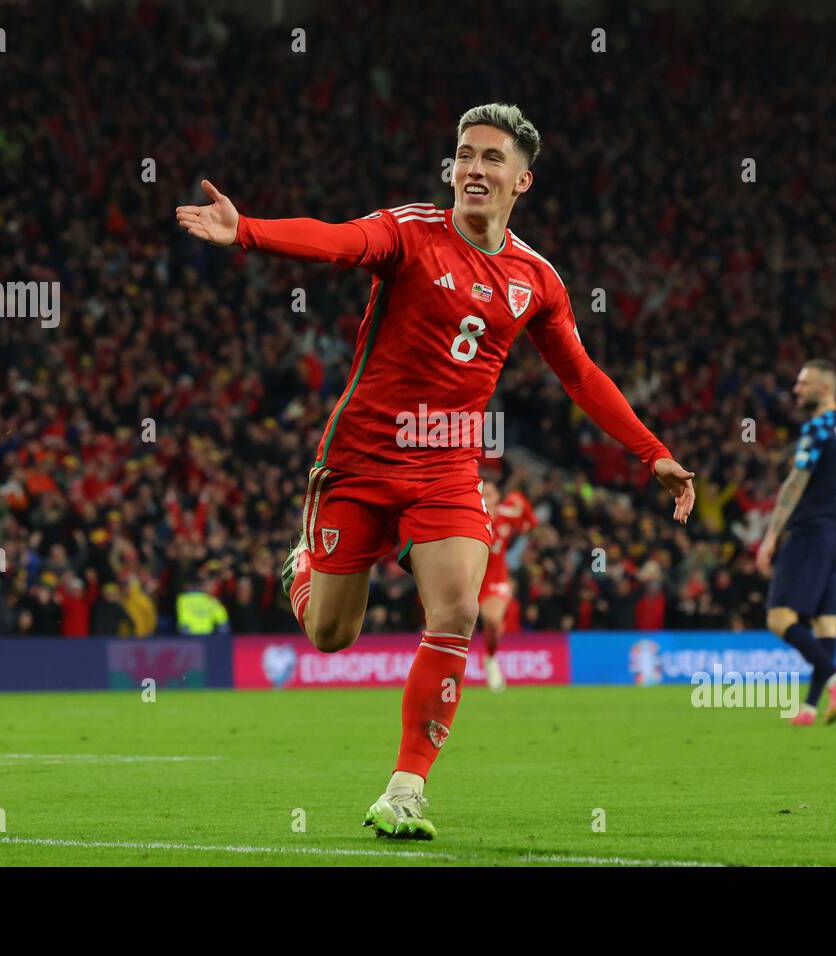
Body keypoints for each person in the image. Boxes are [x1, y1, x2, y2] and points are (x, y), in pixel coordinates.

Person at [177, 102, 695, 839]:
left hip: (449, 464)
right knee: (330, 635)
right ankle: (304, 565)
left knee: (455, 610)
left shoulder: (537, 278)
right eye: (464, 154)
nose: (473, 168)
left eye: (491, 158)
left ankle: (405, 788)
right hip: (358, 460)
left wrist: (654, 453)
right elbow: (339, 242)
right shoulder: (410, 232)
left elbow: (580, 374)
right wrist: (248, 231)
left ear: (523, 179)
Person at [757, 360, 836, 726]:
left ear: (825, 388)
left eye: (804, 384)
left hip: (811, 532)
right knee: (826, 621)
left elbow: (795, 484)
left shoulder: (818, 427)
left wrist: (771, 536)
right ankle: (811, 706)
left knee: (778, 617)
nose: (796, 390)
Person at [477, 482, 536, 693]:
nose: (485, 497)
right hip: (469, 579)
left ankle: (491, 660)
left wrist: (521, 500)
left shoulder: (505, 516)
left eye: (489, 494)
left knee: (493, 620)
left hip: (494, 579)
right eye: (481, 493)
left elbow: (531, 522)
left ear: (498, 497)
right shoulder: (469, 517)